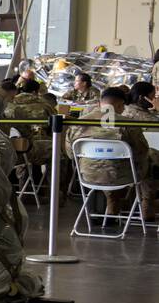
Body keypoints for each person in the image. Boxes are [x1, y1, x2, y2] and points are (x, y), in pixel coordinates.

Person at [66, 86, 156, 219]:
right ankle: (147, 204)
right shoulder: (128, 124)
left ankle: (112, 202)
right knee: (153, 157)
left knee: (107, 164)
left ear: (99, 103)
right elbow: (141, 152)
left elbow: (70, 153)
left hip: (87, 175)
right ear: (120, 104)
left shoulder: (79, 123)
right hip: (123, 176)